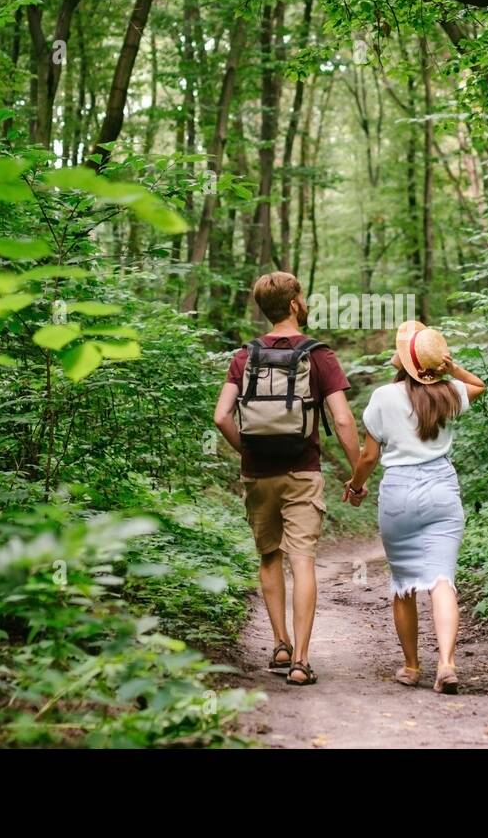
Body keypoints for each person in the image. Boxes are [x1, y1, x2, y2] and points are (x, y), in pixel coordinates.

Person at [213, 272, 362, 687]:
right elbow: (344, 419)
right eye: (303, 296)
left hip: (257, 473)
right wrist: (357, 472)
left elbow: (221, 416)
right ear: (295, 304)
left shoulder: (245, 355)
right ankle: (300, 660)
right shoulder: (318, 354)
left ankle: (279, 643)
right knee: (303, 560)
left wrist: (248, 451)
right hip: (302, 470)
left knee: (269, 557)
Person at [344, 320, 486, 693]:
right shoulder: (449, 394)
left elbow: (368, 456)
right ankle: (447, 663)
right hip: (442, 490)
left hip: (399, 494)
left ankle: (410, 667)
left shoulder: (382, 398)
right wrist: (449, 368)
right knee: (442, 580)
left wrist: (356, 487)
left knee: (404, 584)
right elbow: (480, 386)